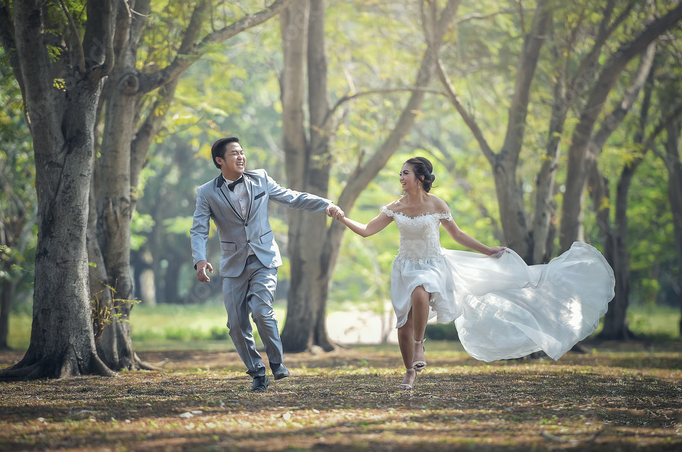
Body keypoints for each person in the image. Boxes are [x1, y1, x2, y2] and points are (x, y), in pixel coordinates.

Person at [335, 156, 615, 389]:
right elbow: (367, 230)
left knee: (421, 293)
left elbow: (457, 235)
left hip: (433, 264)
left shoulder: (437, 205)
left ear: (420, 177)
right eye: (400, 174)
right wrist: (342, 217)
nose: (401, 178)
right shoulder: (394, 208)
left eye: (405, 173)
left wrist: (488, 251)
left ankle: (421, 345)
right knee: (402, 324)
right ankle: (410, 371)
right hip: (404, 266)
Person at [190, 137, 344, 392]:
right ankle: (256, 372)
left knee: (262, 311)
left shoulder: (260, 178)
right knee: (236, 325)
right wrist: (200, 260)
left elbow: (293, 198)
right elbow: (198, 229)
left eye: (242, 152)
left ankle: (277, 363)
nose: (241, 157)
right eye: (234, 154)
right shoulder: (206, 192)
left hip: (264, 259)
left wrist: (325, 204)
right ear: (220, 160)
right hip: (232, 264)